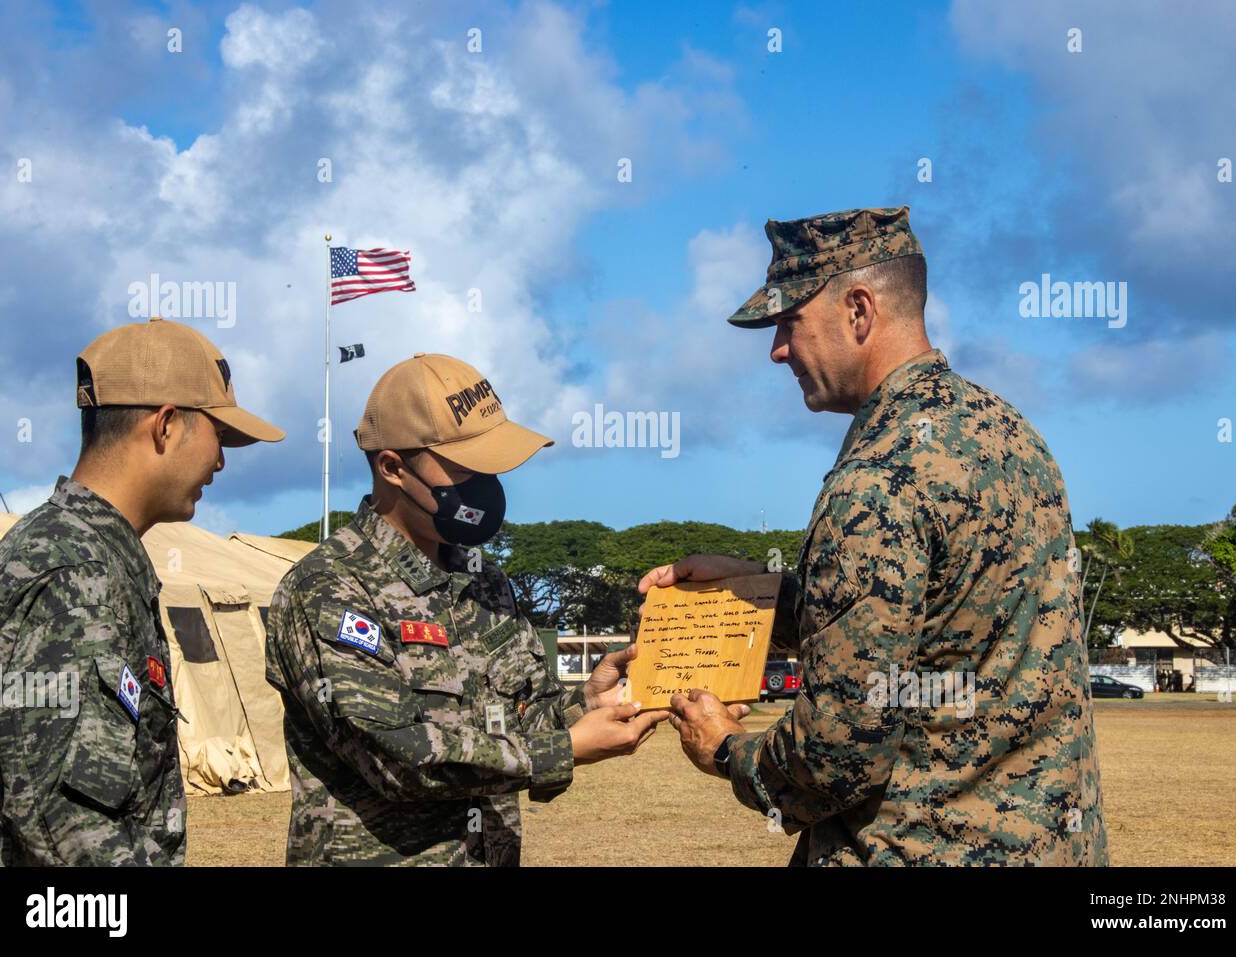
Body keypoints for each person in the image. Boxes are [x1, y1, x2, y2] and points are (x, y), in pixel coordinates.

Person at [642, 207, 1109, 865]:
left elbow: (835, 754)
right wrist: (754, 592)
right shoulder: (1012, 435)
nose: (777, 349)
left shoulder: (876, 477)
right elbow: (937, 626)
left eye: (789, 321)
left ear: (859, 311)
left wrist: (726, 749)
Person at [265, 353, 667, 865]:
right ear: (392, 467)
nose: (484, 482)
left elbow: (514, 718)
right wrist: (563, 751)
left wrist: (585, 705)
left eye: (489, 465)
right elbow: (397, 755)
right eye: (464, 466)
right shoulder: (329, 588)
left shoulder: (485, 582)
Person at [0, 318, 284, 865]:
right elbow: (72, 832)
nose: (220, 461)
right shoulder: (74, 570)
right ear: (166, 426)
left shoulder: (94, 558)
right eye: (218, 436)